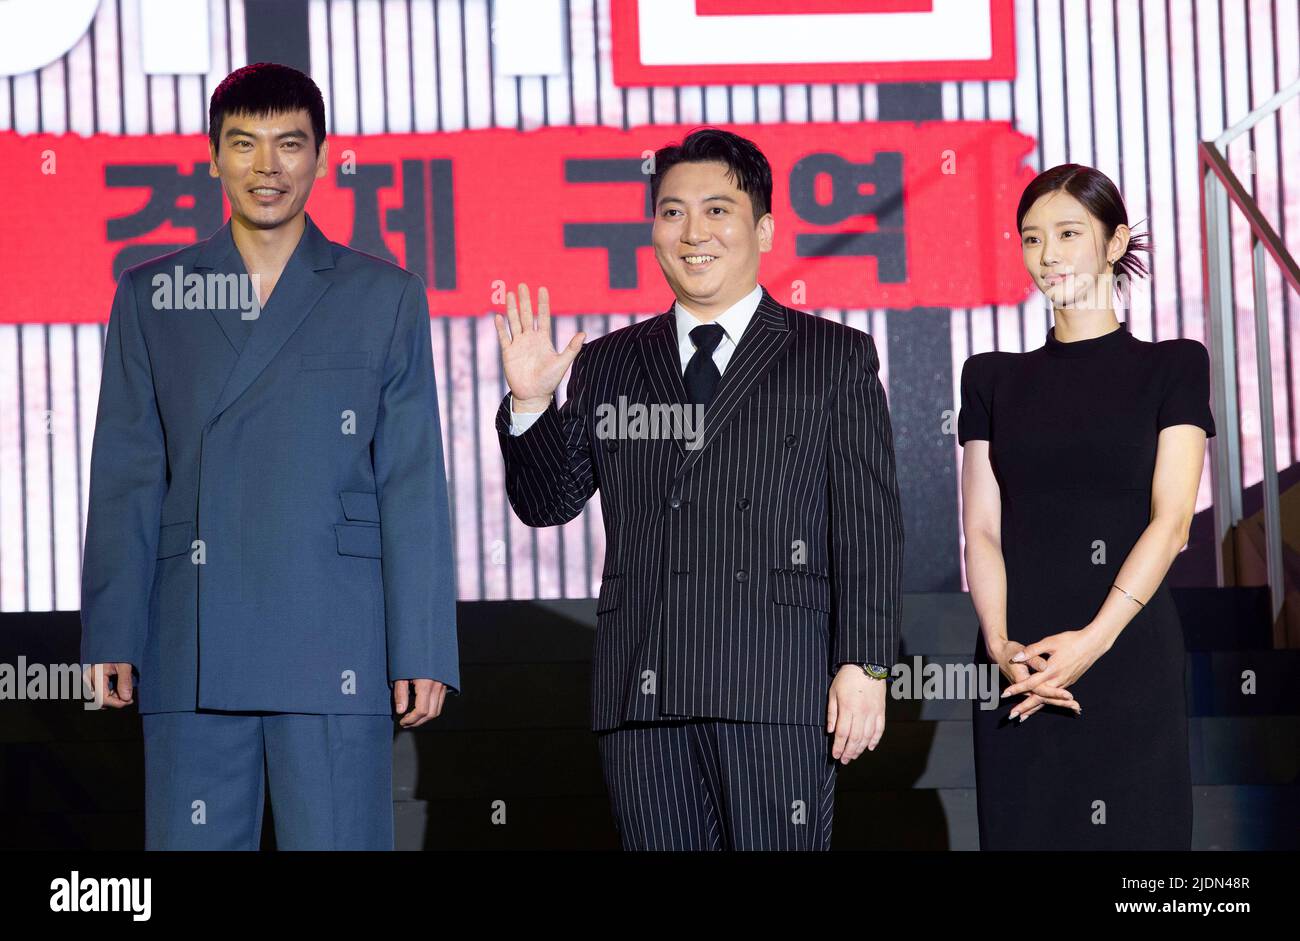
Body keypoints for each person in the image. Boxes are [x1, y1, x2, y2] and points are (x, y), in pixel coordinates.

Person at [79, 63, 459, 850]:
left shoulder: (383, 293)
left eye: (289, 145)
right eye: (244, 144)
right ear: (212, 156)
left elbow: (411, 480)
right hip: (192, 632)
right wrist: (112, 629)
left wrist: (422, 644)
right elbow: (128, 472)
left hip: (336, 633)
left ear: (322, 156)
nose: (267, 167)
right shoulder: (152, 294)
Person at [493, 128, 904, 850]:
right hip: (643, 687)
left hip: (778, 686)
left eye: (718, 210)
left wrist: (865, 663)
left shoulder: (832, 355)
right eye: (673, 212)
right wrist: (530, 406)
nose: (693, 232)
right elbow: (547, 502)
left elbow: (868, 525)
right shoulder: (610, 363)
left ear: (764, 228)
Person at [958, 163, 1214, 850]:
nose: (1048, 254)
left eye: (1069, 233)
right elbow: (981, 529)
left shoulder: (1175, 365)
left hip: (1126, 650)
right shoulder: (991, 377)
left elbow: (1175, 521)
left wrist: (1092, 643)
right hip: (1020, 659)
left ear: (1113, 240)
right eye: (1032, 237)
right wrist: (999, 643)